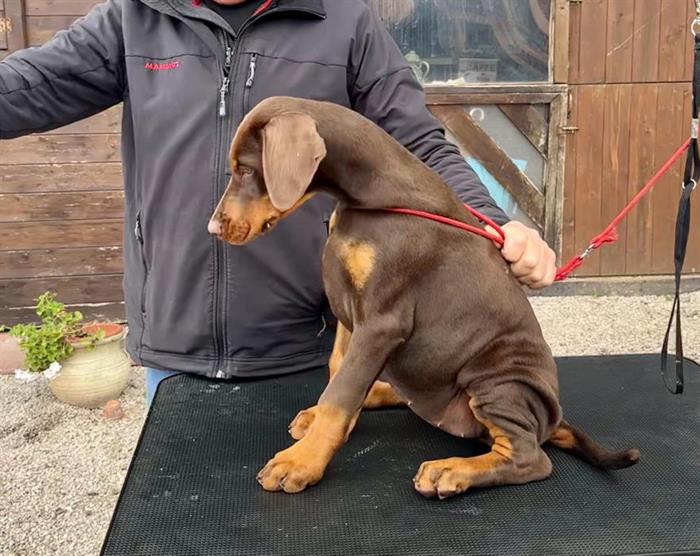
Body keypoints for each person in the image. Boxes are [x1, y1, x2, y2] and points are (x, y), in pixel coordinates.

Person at [0, 0, 556, 407]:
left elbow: (418, 145)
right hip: (175, 351)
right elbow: (25, 86)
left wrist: (497, 224)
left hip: (307, 351)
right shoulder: (133, 18)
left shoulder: (343, 21)